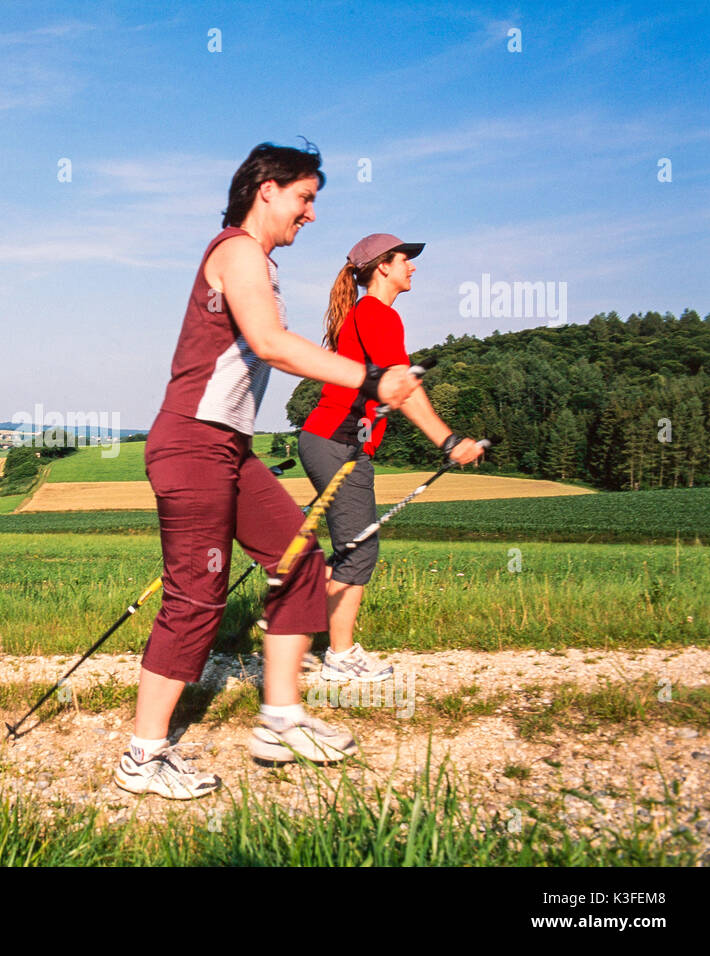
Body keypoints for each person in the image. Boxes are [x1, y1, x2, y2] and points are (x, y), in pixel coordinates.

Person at [113, 144, 421, 800]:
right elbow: (274, 344)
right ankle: (144, 756)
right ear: (267, 190)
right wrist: (372, 380)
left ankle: (281, 719)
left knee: (302, 557)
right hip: (192, 444)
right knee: (196, 599)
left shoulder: (259, 261)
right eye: (305, 198)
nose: (310, 215)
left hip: (229, 450)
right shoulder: (237, 250)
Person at [299, 235, 484, 683]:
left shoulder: (366, 314)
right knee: (360, 549)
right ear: (382, 266)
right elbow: (404, 389)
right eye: (406, 259)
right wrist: (449, 441)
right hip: (338, 443)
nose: (413, 267)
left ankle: (294, 631)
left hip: (330, 441)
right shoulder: (376, 314)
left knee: (350, 547)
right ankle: (340, 658)